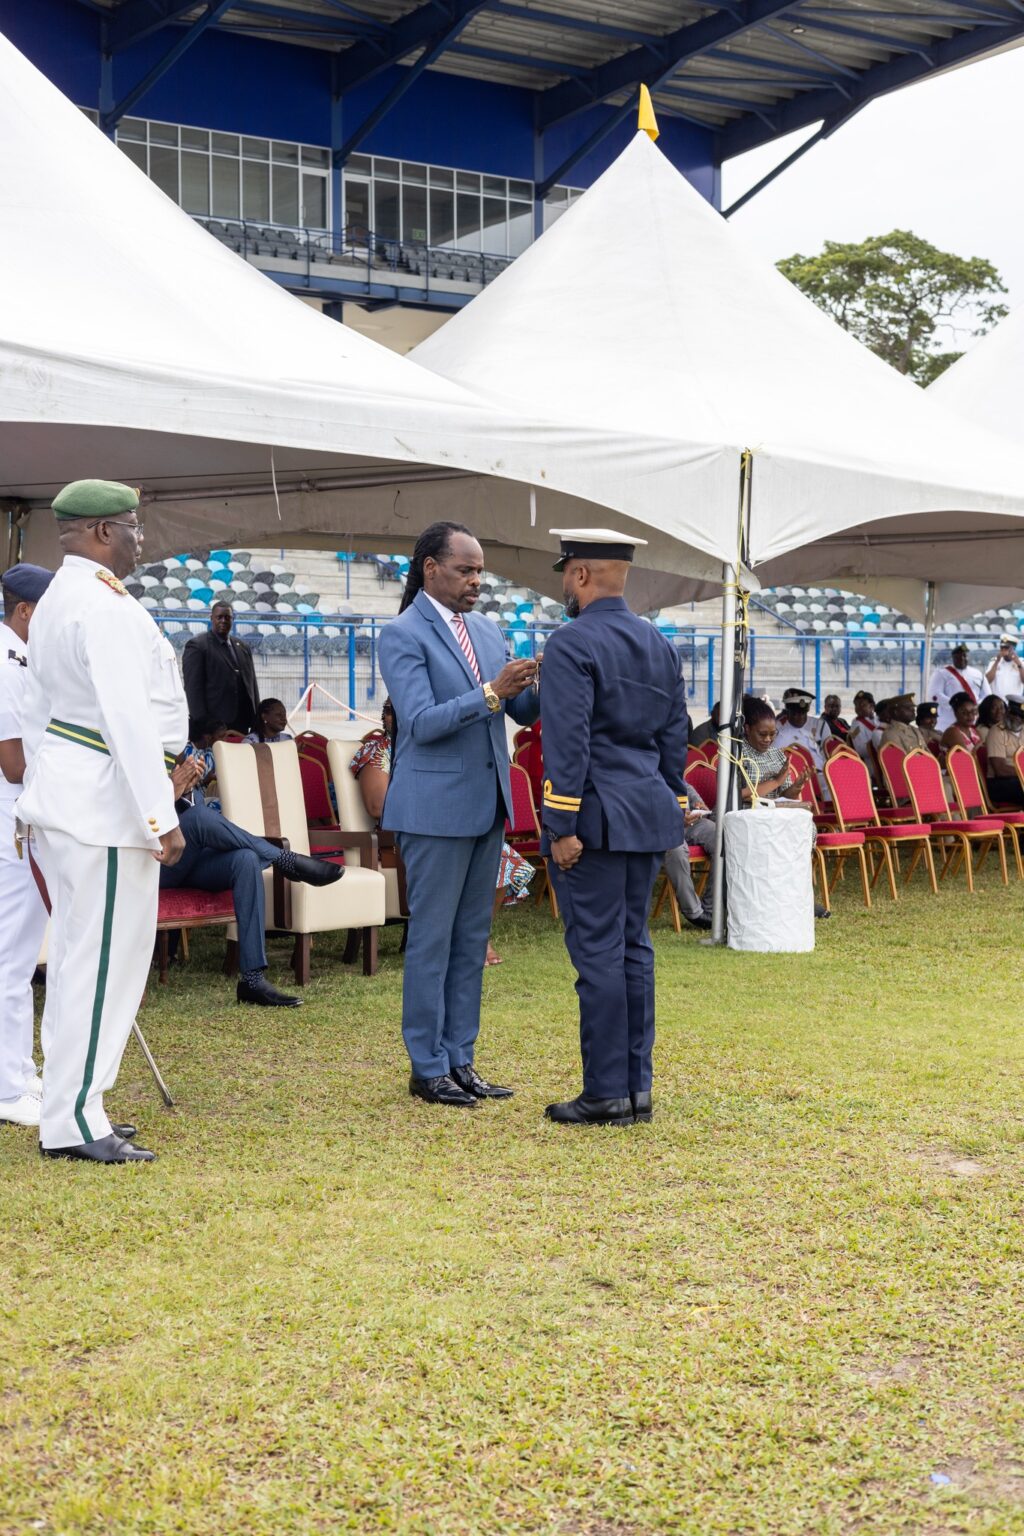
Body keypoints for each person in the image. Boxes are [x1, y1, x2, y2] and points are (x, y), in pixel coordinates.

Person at [17, 480, 188, 1164]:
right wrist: (159, 815)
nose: (140, 539)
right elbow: (127, 719)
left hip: (71, 798)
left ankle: (69, 1107)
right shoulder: (103, 604)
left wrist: (44, 790)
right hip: (106, 806)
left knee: (75, 963)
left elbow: (38, 716)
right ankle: (77, 1121)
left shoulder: (59, 597)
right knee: (102, 966)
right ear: (100, 532)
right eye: (132, 527)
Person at [378, 521, 539, 1109]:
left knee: (472, 939)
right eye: (466, 570)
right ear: (431, 568)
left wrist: (547, 676)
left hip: (486, 804)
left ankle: (460, 1058)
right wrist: (494, 692)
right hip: (433, 810)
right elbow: (421, 723)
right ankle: (427, 1067)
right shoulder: (401, 634)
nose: (476, 581)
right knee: (433, 939)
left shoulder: (488, 630)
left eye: (480, 571)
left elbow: (523, 710)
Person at [540, 528, 687, 1129]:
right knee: (634, 951)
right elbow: (674, 736)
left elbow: (567, 741)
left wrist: (560, 824)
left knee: (599, 954)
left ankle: (605, 1093)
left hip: (594, 820)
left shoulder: (571, 642)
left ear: (580, 574)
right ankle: (635, 1090)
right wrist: (675, 796)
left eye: (565, 573)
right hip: (647, 814)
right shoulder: (660, 644)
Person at [349, 699, 533, 966]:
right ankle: (458, 940)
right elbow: (378, 806)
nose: (393, 716)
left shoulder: (432, 746)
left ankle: (474, 936)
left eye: (398, 710)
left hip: (444, 827)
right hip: (401, 835)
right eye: (389, 711)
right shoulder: (378, 750)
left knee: (504, 858)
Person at [160, 758, 343, 1006]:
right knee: (199, 817)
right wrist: (170, 791)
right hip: (154, 866)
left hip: (190, 861)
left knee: (245, 859)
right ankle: (286, 860)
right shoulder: (126, 758)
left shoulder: (171, 757)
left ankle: (252, 980)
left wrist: (188, 790)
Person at [0, 564, 54, 1129]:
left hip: (23, 820)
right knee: (10, 960)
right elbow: (14, 764)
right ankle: (6, 1088)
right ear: (25, 611)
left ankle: (17, 1069)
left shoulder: (22, 658)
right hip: (11, 820)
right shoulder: (6, 663)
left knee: (17, 956)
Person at [182, 600, 260, 739]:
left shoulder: (243, 647)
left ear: (232, 620)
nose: (223, 621)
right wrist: (203, 725)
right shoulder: (198, 646)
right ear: (211, 618)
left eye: (227, 617)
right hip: (214, 725)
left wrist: (257, 718)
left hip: (242, 722)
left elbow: (252, 684)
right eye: (219, 617)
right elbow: (193, 689)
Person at [738, 696, 812, 802]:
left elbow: (784, 798)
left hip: (775, 811)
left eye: (772, 734)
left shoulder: (778, 755)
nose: (768, 739)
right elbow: (737, 794)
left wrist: (796, 787)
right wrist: (776, 782)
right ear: (747, 729)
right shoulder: (737, 754)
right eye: (762, 734)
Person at [663, 784, 716, 931]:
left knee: (720, 836)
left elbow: (682, 784)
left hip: (689, 824)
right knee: (677, 850)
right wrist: (676, 815)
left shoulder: (673, 770)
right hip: (663, 826)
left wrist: (699, 805)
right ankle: (694, 912)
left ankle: (712, 908)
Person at [929, 643, 989, 732]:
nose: (962, 658)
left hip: (973, 719)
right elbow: (935, 695)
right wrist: (956, 705)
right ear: (953, 658)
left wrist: (975, 706)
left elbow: (987, 695)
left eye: (964, 656)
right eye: (958, 656)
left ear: (968, 657)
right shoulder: (941, 673)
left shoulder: (978, 674)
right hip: (948, 721)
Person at [980, 703, 1024, 808]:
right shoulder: (997, 732)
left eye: (1021, 715)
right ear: (1007, 712)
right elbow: (1000, 770)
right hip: (1000, 783)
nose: (1017, 718)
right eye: (1014, 714)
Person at [985, 634, 1024, 703]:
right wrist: (997, 662)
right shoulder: (994, 661)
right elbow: (987, 681)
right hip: (997, 702)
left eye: (1006, 648)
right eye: (1002, 648)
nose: (1003, 650)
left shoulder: (1021, 662)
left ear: (1013, 649)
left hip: (1014, 703)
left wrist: (1019, 665)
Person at [848, 692, 882, 770]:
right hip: (871, 764)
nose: (858, 708)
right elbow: (860, 749)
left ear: (872, 706)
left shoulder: (879, 719)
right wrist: (879, 746)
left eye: (862, 705)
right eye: (856, 705)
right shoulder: (856, 724)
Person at [940, 691, 982, 755]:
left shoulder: (974, 731)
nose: (970, 715)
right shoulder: (952, 732)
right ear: (955, 713)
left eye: (972, 711)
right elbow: (966, 757)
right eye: (964, 712)